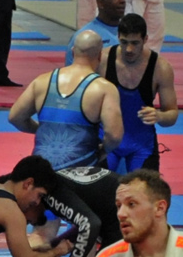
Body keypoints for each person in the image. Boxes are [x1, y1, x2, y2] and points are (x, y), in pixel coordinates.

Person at [9, 28, 123, 171]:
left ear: (73, 51)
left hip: (41, 172)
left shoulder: (42, 81)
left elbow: (15, 117)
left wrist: (41, 130)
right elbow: (114, 135)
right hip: (80, 172)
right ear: (100, 55)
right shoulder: (104, 88)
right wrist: (103, 151)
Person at [104, 13, 178, 175]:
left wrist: (159, 116)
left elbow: (172, 114)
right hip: (106, 141)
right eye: (124, 42)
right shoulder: (103, 60)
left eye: (135, 43)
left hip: (142, 144)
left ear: (145, 40)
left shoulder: (161, 68)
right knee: (96, 195)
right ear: (118, 37)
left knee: (146, 196)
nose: (129, 49)